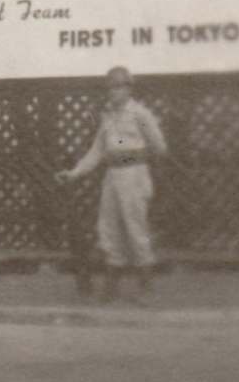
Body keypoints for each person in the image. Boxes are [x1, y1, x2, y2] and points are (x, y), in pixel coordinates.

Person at [55, 66, 168, 302]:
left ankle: (146, 287)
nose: (114, 92)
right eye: (110, 88)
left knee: (136, 229)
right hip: (113, 176)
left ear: (129, 89)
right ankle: (112, 287)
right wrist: (73, 173)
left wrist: (135, 157)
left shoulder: (140, 114)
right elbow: (97, 151)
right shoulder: (108, 117)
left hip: (134, 175)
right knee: (109, 229)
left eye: (119, 87)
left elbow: (159, 146)